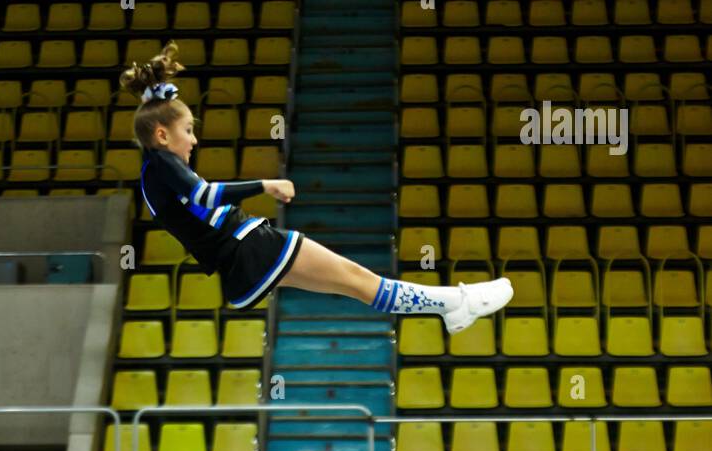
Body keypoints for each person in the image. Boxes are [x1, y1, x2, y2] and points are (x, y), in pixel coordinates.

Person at [124, 42, 513, 329]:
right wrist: (266, 183)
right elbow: (204, 195)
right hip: (249, 247)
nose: (193, 140)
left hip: (244, 256)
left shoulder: (155, 171)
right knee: (359, 280)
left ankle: (451, 305)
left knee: (358, 285)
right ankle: (457, 301)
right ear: (161, 134)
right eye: (188, 131)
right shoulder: (160, 165)